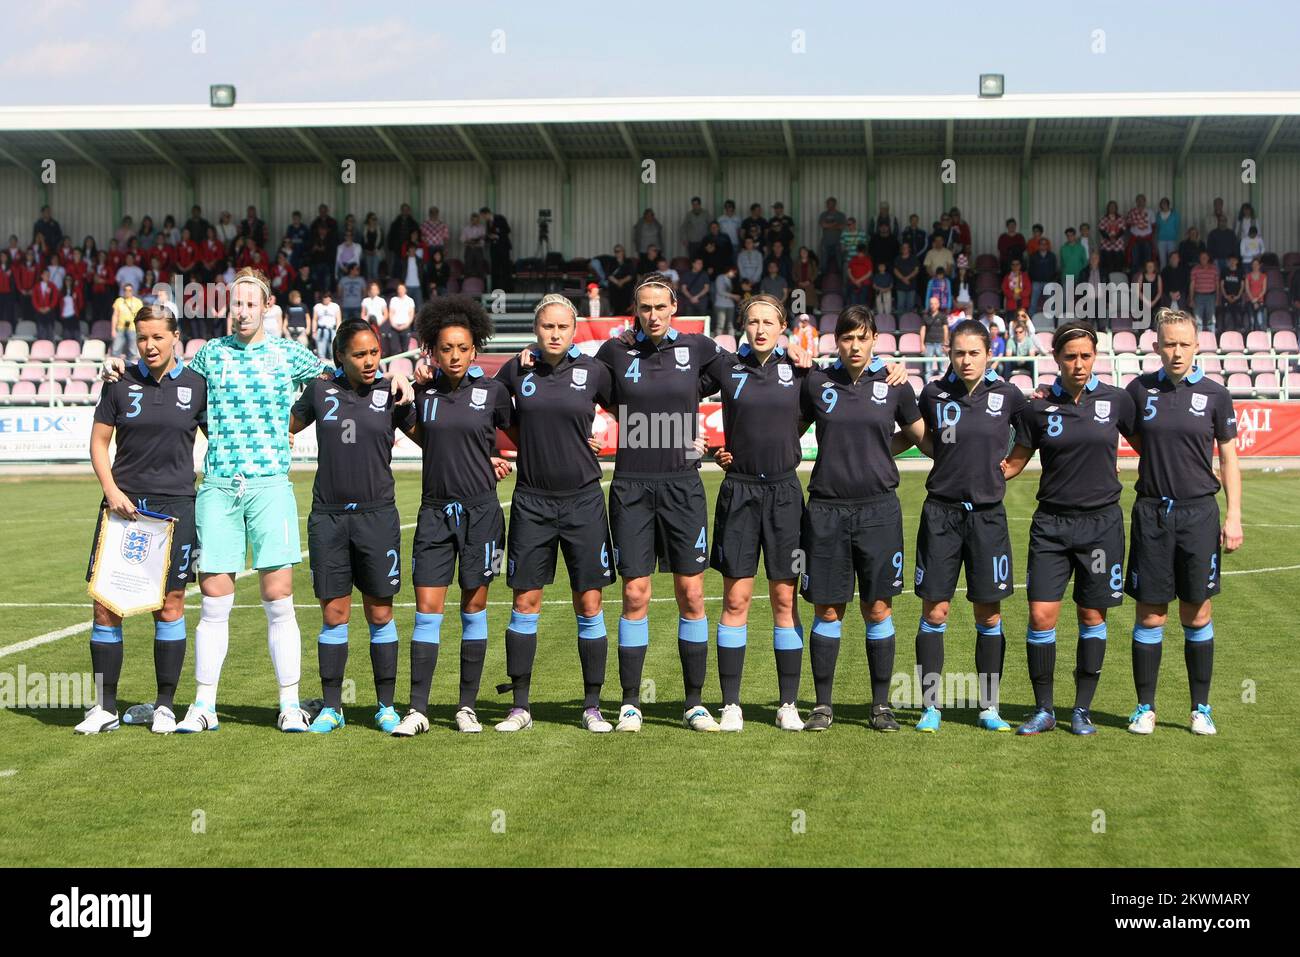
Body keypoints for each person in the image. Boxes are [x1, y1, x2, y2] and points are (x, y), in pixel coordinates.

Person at [100, 268, 414, 735]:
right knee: (213, 600)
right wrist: (119, 367)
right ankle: (204, 704)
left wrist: (396, 378)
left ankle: (289, 704)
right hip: (219, 487)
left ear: (267, 308)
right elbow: (164, 372)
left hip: (270, 486)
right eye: (235, 304)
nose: (242, 311)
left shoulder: (292, 356)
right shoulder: (210, 355)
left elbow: (349, 370)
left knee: (278, 598)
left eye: (251, 303)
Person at [1001, 322, 1138, 734]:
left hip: (1100, 525)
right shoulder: (1037, 408)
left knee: (1091, 614)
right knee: (1041, 616)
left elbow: (1154, 446)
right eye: (1070, 356)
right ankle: (1044, 709)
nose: (1078, 364)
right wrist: (966, 470)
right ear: (1056, 358)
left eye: (1086, 355)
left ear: (1095, 357)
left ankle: (1081, 709)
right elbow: (1013, 463)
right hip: (1051, 526)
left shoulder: (1117, 401)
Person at [77, 306, 208, 735]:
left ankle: (165, 705)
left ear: (176, 338)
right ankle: (104, 707)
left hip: (175, 511)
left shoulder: (196, 385)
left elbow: (220, 442)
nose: (149, 346)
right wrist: (112, 491)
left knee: (169, 606)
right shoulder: (119, 383)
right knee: (106, 604)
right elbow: (98, 443)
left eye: (157, 337)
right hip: (121, 508)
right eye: (143, 338)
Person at [793, 306, 925, 732]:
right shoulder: (817, 382)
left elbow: (923, 437)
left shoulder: (895, 385)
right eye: (847, 337)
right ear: (837, 341)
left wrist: (886, 450)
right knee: (828, 611)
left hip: (878, 511)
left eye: (863, 337)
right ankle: (823, 706)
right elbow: (784, 429)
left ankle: (881, 706)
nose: (854, 345)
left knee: (878, 607)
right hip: (827, 509)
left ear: (875, 340)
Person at [492, 295, 618, 732]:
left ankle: (592, 706)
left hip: (583, 500)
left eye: (563, 327)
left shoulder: (594, 371)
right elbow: (490, 411)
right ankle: (520, 707)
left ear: (575, 327)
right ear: (536, 327)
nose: (555, 334)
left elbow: (629, 406)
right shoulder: (516, 369)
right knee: (525, 601)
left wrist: (592, 439)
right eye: (547, 327)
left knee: (590, 601)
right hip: (531, 501)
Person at [392, 297, 513, 736]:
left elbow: (520, 437)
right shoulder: (422, 393)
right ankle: (418, 710)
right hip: (434, 514)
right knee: (427, 611)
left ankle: (467, 707)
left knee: (474, 607)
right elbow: (422, 437)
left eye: (463, 348)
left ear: (474, 348)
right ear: (433, 351)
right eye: (446, 349)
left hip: (482, 515)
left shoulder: (494, 392)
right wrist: (405, 383)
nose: (455, 356)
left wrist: (500, 457)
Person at [289, 320, 416, 734]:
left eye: (374, 353)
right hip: (328, 517)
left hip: (377, 516)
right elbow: (282, 426)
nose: (369, 361)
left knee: (380, 613)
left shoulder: (391, 393)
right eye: (359, 354)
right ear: (339, 356)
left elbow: (437, 438)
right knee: (335, 614)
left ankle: (385, 706)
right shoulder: (320, 390)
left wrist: (485, 458)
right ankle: (332, 707)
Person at [1121, 308, 1242, 735]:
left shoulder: (1215, 394)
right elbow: (1126, 430)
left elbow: (1228, 458)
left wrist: (1234, 516)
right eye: (1168, 343)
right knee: (1150, 615)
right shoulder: (1137, 391)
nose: (1176, 352)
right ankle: (1144, 708)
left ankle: (1200, 709)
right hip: (1153, 512)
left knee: (1197, 613)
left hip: (1199, 515)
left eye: (1183, 344)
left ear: (1196, 346)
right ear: (1156, 346)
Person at [913, 320, 1028, 733]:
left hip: (987, 517)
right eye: (959, 353)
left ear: (989, 353)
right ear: (949, 353)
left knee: (989, 613)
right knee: (935, 610)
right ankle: (929, 706)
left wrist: (1010, 468)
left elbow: (1031, 434)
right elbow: (921, 435)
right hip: (941, 514)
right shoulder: (933, 393)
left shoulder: (1008, 395)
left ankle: (989, 706)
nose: (966, 360)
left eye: (973, 353)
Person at [707, 297, 812, 731]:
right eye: (752, 321)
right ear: (743, 326)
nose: (760, 328)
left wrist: (893, 369)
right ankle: (731, 704)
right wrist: (710, 448)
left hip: (786, 493)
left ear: (783, 326)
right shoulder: (726, 368)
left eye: (769, 321)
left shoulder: (801, 370)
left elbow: (848, 384)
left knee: (784, 598)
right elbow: (668, 391)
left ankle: (788, 703)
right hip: (740, 491)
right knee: (736, 598)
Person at [111, 283, 143, 359]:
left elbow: (140, 317)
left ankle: (131, 368)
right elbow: (115, 316)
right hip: (120, 328)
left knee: (132, 351)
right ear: (123, 291)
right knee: (116, 349)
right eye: (125, 290)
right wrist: (113, 330)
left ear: (133, 291)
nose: (128, 292)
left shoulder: (138, 302)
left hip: (133, 328)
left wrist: (140, 329)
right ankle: (115, 367)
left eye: (130, 290)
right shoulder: (119, 301)